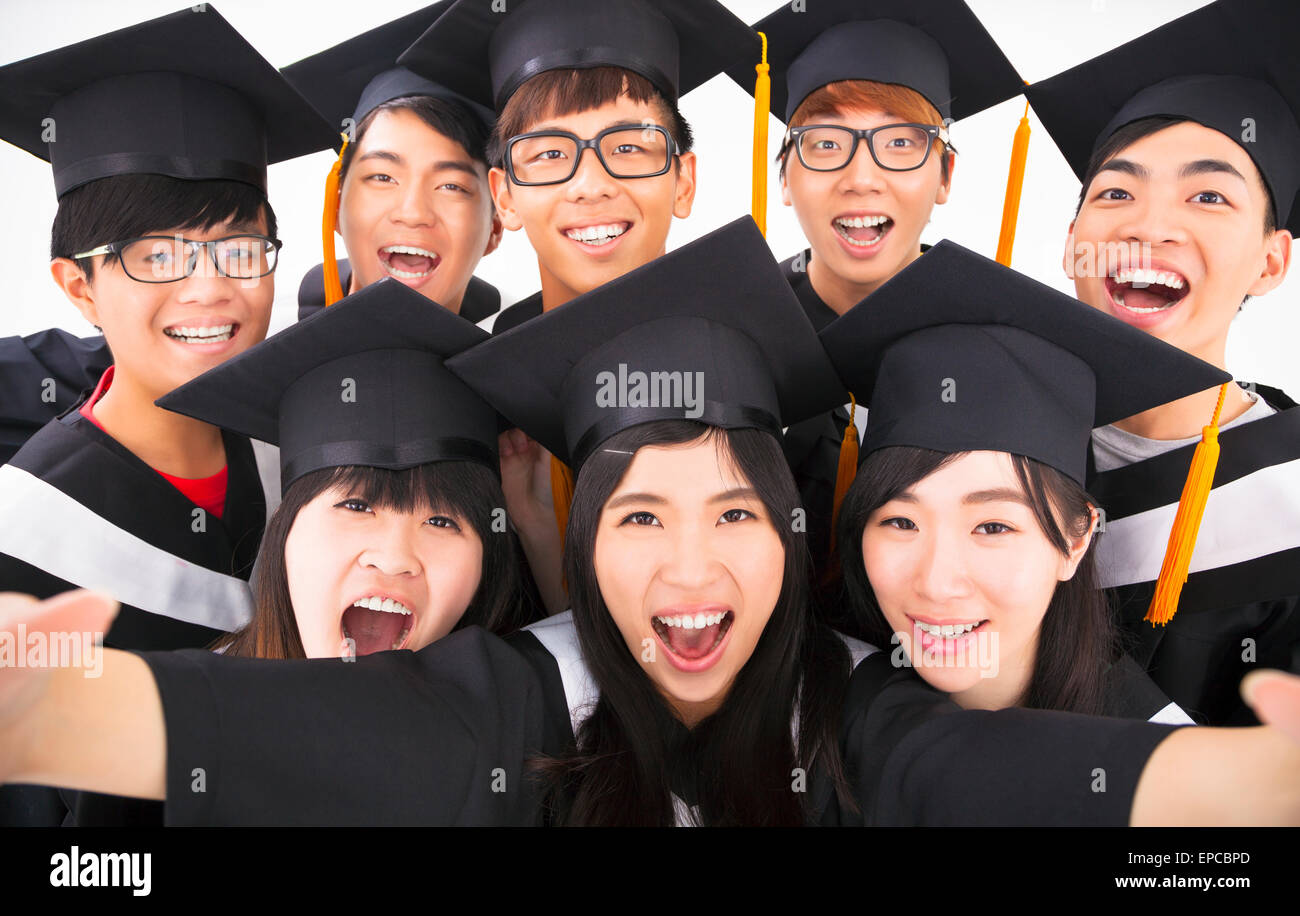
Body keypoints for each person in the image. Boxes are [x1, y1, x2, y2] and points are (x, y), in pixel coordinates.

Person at [6, 219, 1300, 827]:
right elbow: (265, 727)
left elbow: (1011, 779)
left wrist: (1251, 790)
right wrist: (45, 700)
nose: (688, 562)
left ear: (796, 536)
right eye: (638, 515)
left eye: (734, 507)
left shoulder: (861, 710)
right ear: (584, 548)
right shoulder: (522, 697)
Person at [0, 6, 336, 825]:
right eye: (157, 256)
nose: (209, 288)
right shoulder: (24, 538)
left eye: (240, 248)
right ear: (80, 287)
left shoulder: (291, 454)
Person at [397, 0, 759, 614]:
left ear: (683, 181)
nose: (590, 184)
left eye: (628, 147)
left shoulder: (767, 376)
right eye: (549, 154)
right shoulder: (472, 405)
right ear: (503, 196)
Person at [1028, 0, 1300, 725]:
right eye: (1116, 191)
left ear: (1271, 260)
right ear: (1071, 243)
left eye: (1208, 195)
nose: (1149, 224)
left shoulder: (1289, 498)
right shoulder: (994, 444)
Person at [826, 241, 1236, 723]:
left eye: (993, 527)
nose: (936, 584)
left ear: (1075, 540)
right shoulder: (817, 708)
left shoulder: (1158, 772)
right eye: (899, 521)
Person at [727, 0, 1025, 575]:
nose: (861, 178)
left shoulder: (1005, 345)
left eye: (900, 144)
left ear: (944, 176)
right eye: (826, 144)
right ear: (784, 176)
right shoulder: (731, 335)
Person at [158, 279, 527, 659]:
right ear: (284, 528)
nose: (393, 559)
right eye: (356, 506)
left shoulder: (516, 710)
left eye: (441, 521)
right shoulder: (192, 709)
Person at [281, 0, 503, 323]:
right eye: (383, 177)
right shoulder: (266, 347)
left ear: (495, 228)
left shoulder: (517, 363)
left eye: (451, 186)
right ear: (337, 206)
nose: (412, 213)